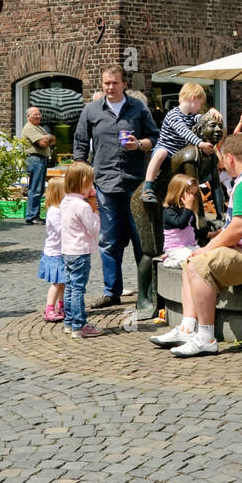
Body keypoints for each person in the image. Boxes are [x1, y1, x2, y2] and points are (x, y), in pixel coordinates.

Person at [151, 134, 242, 357]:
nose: (222, 165)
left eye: (222, 160)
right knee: (191, 261)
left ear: (230, 158)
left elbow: (237, 229)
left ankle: (206, 337)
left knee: (197, 264)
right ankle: (188, 329)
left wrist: (207, 249)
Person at [72, 65, 160, 309]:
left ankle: (147, 293)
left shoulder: (138, 109)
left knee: (141, 239)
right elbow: (79, 145)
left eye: (114, 83)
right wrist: (83, 178)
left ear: (124, 84)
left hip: (135, 182)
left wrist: (140, 144)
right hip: (105, 184)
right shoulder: (91, 110)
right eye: (106, 83)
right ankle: (112, 291)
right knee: (109, 239)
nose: (110, 87)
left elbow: (155, 137)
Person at [142, 83, 217, 203]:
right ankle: (148, 186)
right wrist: (201, 144)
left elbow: (202, 119)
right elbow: (184, 132)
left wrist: (211, 113)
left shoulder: (192, 116)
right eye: (200, 104)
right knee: (161, 153)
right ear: (193, 98)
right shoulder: (173, 115)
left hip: (178, 154)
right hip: (166, 149)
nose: (200, 107)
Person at [60, 162, 103, 338]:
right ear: (84, 182)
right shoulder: (83, 206)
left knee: (70, 287)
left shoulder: (65, 201)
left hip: (67, 250)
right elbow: (93, 229)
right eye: (91, 183)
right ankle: (79, 325)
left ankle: (69, 322)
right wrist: (96, 213)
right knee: (78, 288)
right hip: (80, 251)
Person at [158, 174, 214, 269]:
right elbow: (181, 224)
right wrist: (188, 207)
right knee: (191, 261)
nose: (192, 198)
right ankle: (168, 261)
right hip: (175, 249)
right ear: (177, 193)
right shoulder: (169, 211)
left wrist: (214, 234)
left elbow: (194, 232)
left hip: (190, 246)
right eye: (190, 194)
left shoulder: (188, 212)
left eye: (194, 194)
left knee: (207, 258)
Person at [39, 178, 67, 322]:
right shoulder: (54, 212)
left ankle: (62, 306)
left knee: (63, 282)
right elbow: (62, 231)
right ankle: (49, 308)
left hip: (61, 252)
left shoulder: (59, 209)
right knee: (57, 283)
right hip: (55, 253)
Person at [22, 106, 55, 226]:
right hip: (35, 159)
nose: (38, 116)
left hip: (40, 159)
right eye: (35, 114)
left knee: (39, 188)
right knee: (35, 188)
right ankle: (31, 216)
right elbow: (43, 143)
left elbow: (53, 139)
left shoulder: (39, 128)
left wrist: (49, 139)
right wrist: (47, 139)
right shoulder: (30, 128)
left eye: (39, 114)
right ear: (28, 117)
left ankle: (34, 215)